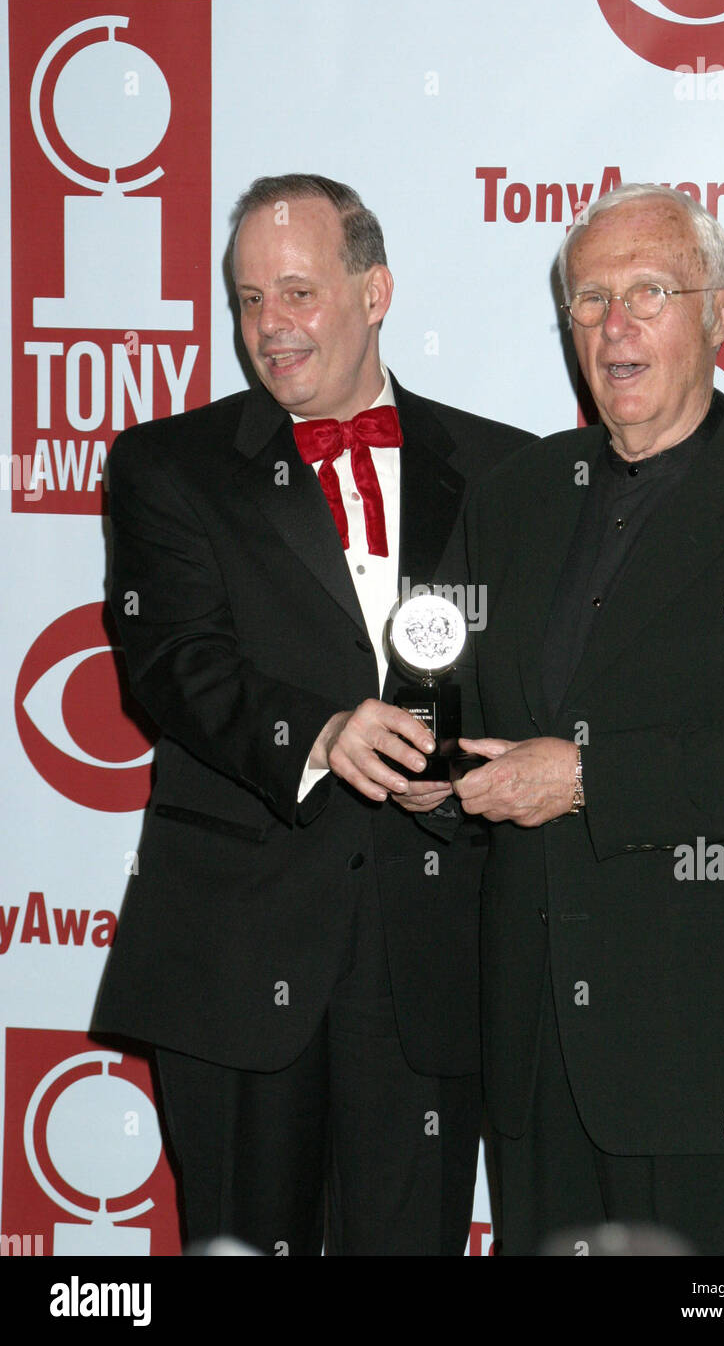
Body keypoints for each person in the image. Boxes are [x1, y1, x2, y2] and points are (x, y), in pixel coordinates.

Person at [91, 173, 532, 1255]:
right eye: (248, 300)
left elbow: (527, 679)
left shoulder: (505, 470)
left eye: (296, 290)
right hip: (239, 954)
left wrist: (472, 768)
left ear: (373, 290)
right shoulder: (168, 465)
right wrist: (321, 735)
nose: (269, 327)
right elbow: (173, 664)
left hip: (430, 957)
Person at [454, 182, 724, 1256]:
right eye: (588, 300)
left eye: (648, 291)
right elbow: (460, 703)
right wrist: (422, 765)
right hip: (538, 1052)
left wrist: (585, 776)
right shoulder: (513, 495)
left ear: (722, 316)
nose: (613, 324)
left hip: (717, 1053)